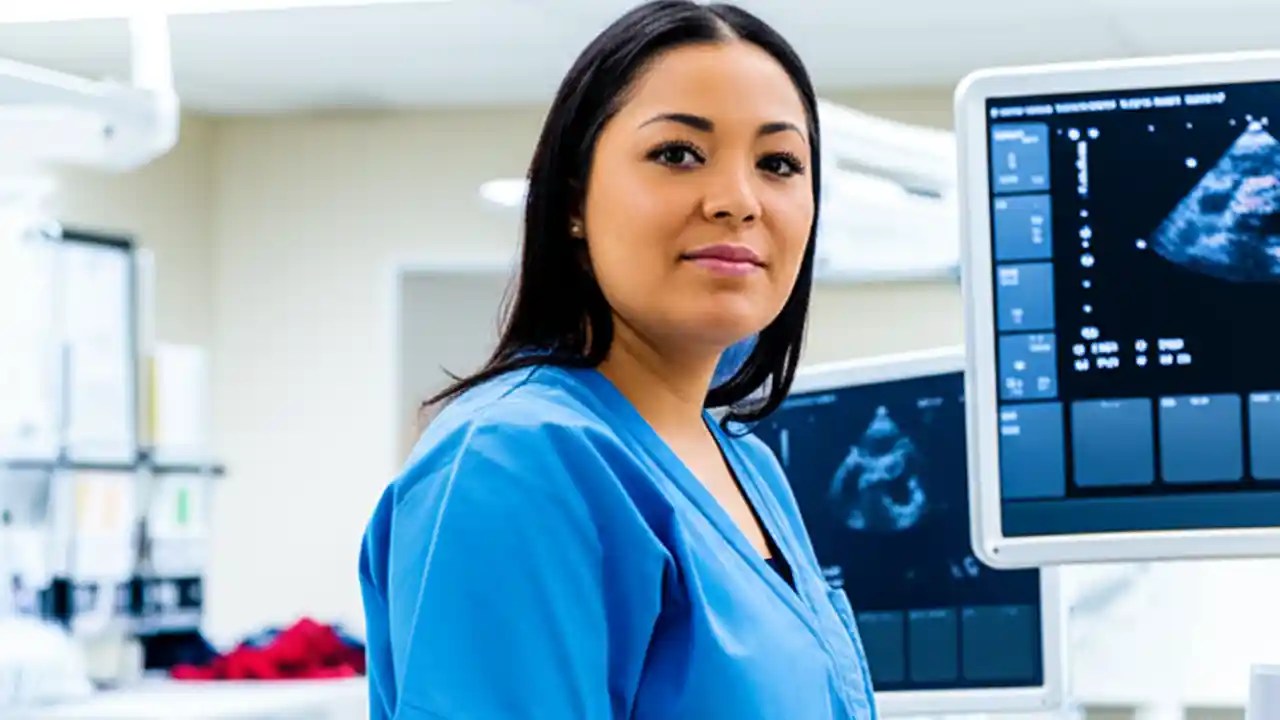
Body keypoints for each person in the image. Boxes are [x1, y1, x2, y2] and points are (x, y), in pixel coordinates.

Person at [358, 2, 877, 718]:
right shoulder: (513, 464)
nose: (738, 200)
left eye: (779, 163)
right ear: (572, 202)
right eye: (678, 154)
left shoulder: (749, 468)